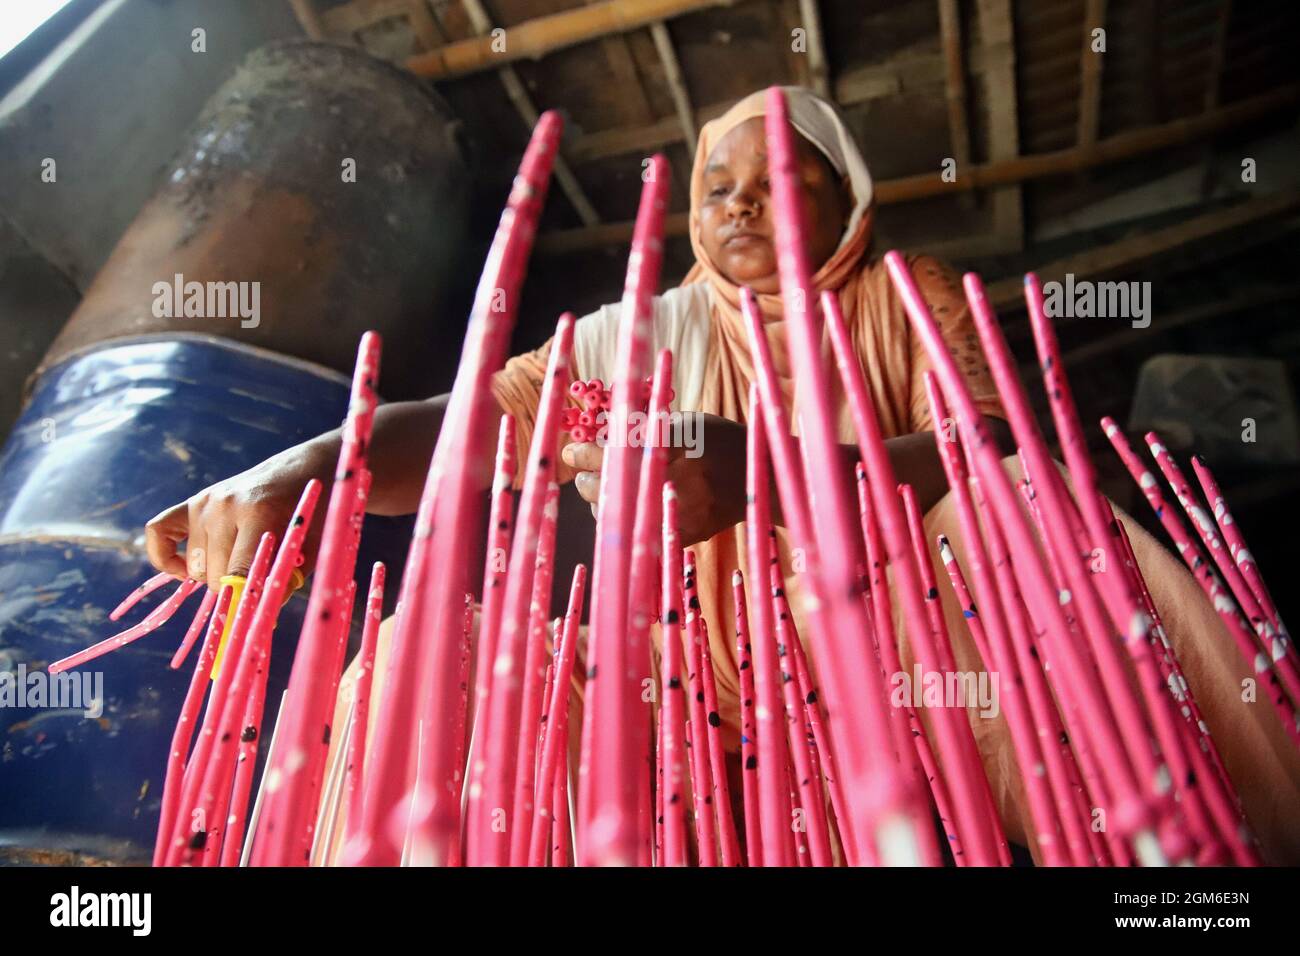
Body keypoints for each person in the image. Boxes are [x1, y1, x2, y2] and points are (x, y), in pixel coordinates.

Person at [145, 87, 1300, 863]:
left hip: (911, 644)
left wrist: (765, 473)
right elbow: (471, 423)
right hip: (697, 678)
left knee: (1039, 527)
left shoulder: (903, 299)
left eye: (780, 175)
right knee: (413, 662)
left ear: (845, 197)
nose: (739, 199)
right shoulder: (627, 343)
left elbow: (988, 443)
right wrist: (311, 468)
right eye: (713, 183)